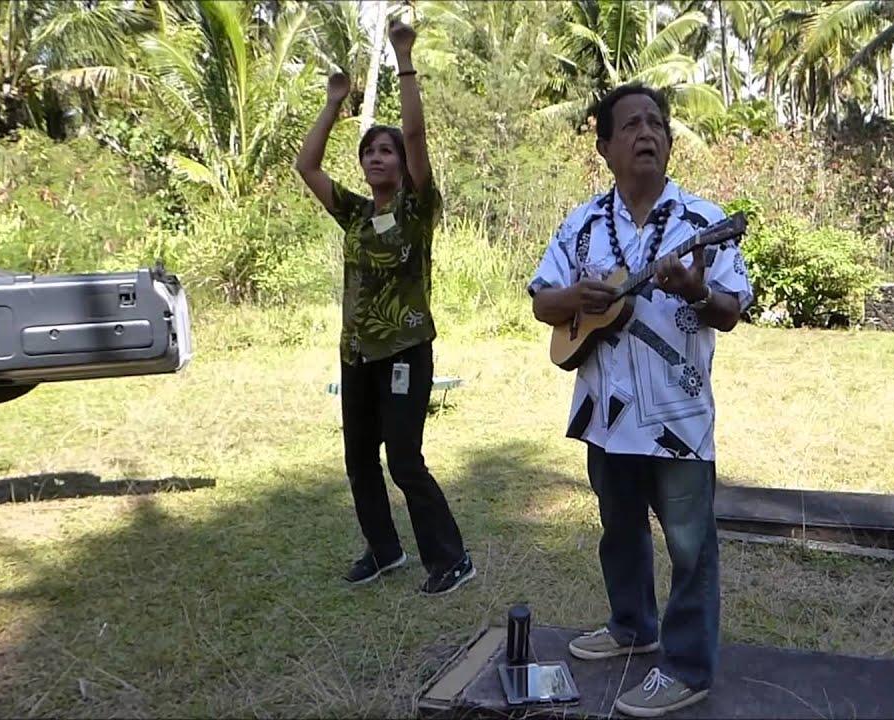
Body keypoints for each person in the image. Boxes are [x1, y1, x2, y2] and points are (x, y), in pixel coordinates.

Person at [527, 83, 753, 717]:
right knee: (619, 531)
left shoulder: (703, 223)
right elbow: (543, 301)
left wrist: (696, 293)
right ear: (604, 146)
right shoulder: (581, 225)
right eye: (630, 125)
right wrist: (579, 298)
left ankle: (687, 668)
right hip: (605, 415)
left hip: (678, 420)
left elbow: (732, 310)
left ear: (670, 143)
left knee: (690, 549)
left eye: (656, 123)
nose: (646, 133)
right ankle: (632, 625)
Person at [294, 19, 474, 596]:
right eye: (369, 150)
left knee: (404, 459)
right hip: (355, 354)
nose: (377, 157)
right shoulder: (354, 212)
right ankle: (384, 549)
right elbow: (307, 167)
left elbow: (417, 135)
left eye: (386, 150)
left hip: (404, 350)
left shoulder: (418, 207)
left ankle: (450, 558)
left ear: (401, 163)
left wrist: (404, 57)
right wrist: (333, 103)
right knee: (359, 459)